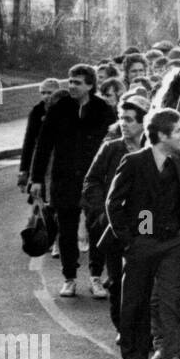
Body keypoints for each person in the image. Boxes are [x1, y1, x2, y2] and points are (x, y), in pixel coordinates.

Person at [105, 108, 180, 359]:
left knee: (170, 299)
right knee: (135, 300)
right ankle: (131, 356)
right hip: (141, 240)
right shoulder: (134, 162)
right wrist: (129, 239)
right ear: (162, 135)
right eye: (178, 131)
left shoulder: (177, 164)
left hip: (170, 243)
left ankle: (175, 358)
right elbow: (113, 202)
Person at [29, 64, 116, 298]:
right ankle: (69, 278)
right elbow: (44, 144)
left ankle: (96, 277)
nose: (71, 86)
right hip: (64, 179)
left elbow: (114, 144)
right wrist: (36, 178)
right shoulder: (60, 108)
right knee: (66, 231)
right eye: (70, 81)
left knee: (96, 228)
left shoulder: (103, 109)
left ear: (90, 84)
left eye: (77, 82)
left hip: (95, 180)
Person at [82, 94, 150, 334]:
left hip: (144, 226)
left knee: (143, 283)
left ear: (143, 122)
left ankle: (143, 330)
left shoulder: (152, 150)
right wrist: (101, 213)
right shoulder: (111, 148)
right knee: (116, 282)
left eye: (130, 119)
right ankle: (123, 329)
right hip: (114, 226)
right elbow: (91, 181)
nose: (124, 123)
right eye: (121, 118)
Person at [18, 78, 63, 190]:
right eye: (43, 93)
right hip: (42, 157)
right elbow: (29, 141)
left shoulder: (66, 109)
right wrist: (24, 171)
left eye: (49, 93)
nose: (46, 96)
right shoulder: (37, 111)